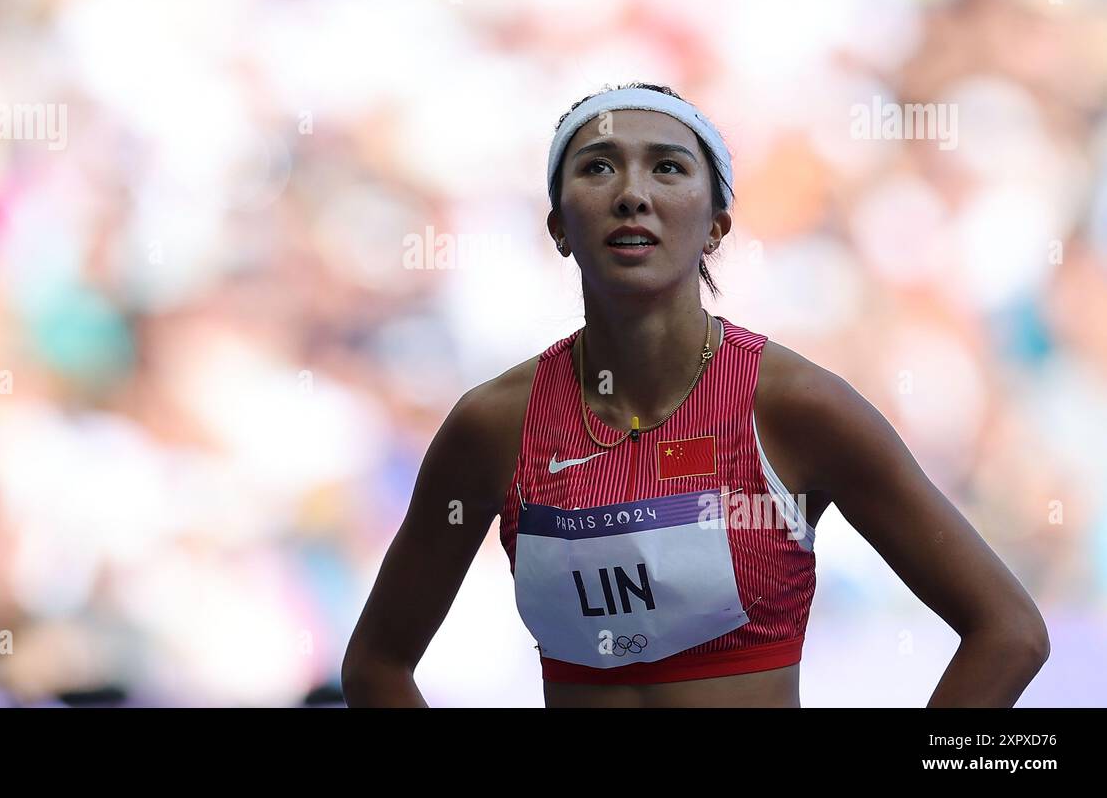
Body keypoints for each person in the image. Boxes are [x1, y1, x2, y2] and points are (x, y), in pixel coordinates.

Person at [342, 82, 1050, 708]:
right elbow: (376, 666)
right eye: (597, 167)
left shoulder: (798, 407)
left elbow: (1009, 633)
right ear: (558, 226)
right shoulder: (494, 425)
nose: (632, 193)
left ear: (716, 225)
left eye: (669, 167)